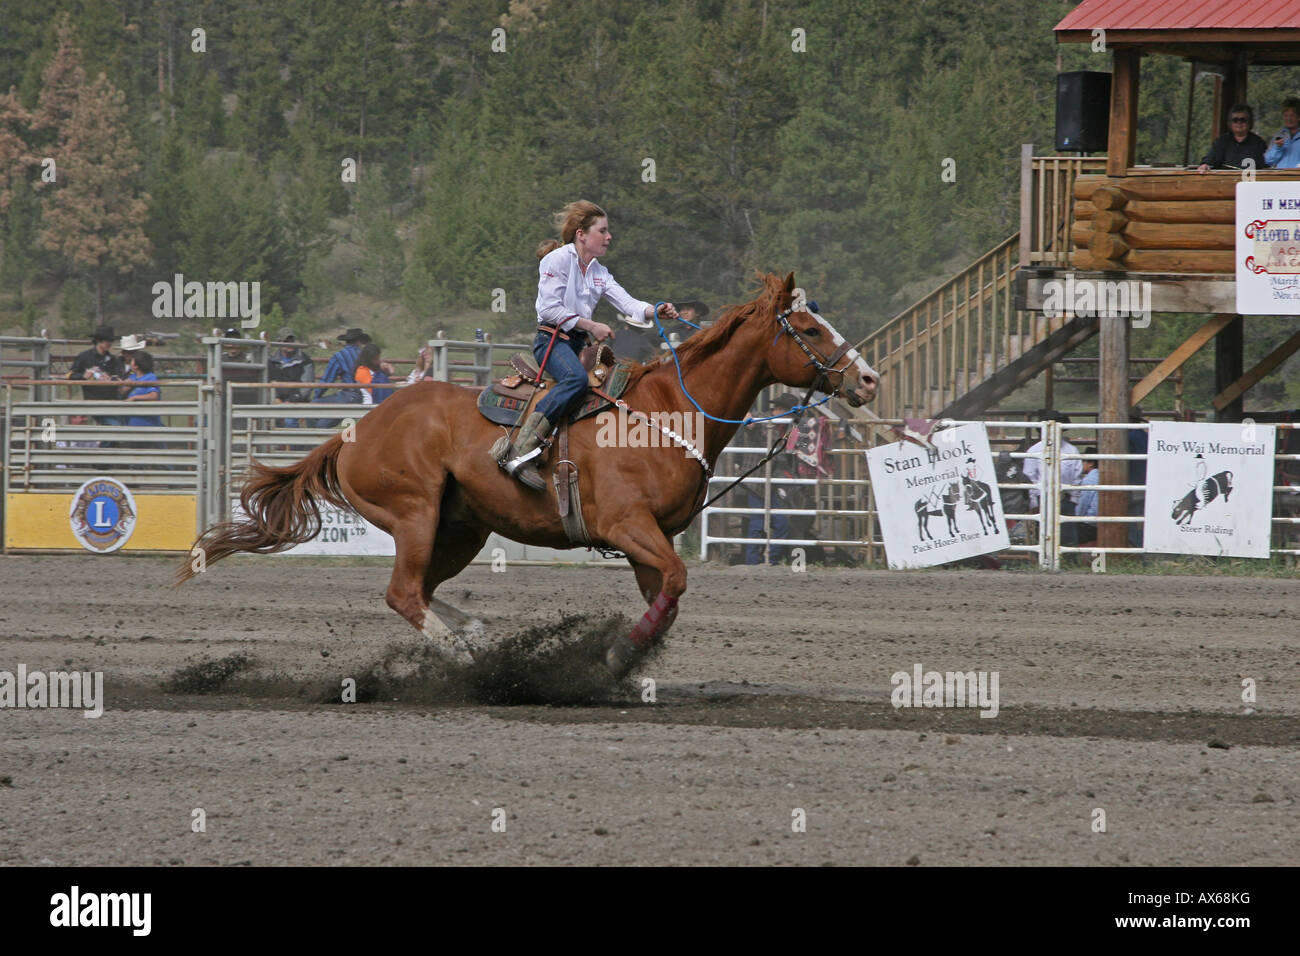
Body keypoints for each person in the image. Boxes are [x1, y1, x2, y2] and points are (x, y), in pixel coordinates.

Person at [499, 201, 678, 490]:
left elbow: (628, 303)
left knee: (615, 384)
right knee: (575, 379)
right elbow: (548, 310)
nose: (609, 237)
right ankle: (520, 450)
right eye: (603, 231)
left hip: (576, 345)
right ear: (582, 234)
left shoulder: (598, 271)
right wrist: (590, 325)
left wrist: (655, 310)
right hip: (551, 341)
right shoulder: (557, 260)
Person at [1021, 409, 1083, 544]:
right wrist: (1034, 502)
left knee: (1068, 536)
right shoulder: (1034, 451)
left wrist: (1074, 499)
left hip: (1065, 498)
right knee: (1043, 535)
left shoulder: (1071, 451)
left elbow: (1076, 478)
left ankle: (1069, 560)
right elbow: (1030, 479)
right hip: (1042, 498)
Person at [67, 325, 125, 424]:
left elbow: (119, 377)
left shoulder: (114, 360)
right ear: (98, 340)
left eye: (110, 340)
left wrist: (111, 379)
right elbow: (69, 376)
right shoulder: (84, 357)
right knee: (115, 426)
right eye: (106, 340)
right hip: (94, 402)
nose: (109, 343)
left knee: (115, 427)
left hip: (112, 402)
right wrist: (83, 376)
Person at [312, 328, 367, 427]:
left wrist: (317, 395)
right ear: (359, 341)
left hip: (349, 396)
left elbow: (327, 380)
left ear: (346, 341)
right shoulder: (366, 355)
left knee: (313, 411)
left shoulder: (340, 356)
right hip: (365, 396)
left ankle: (314, 440)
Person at [1197, 104, 1267, 172]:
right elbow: (1210, 159)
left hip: (1250, 181)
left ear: (1250, 122)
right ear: (1230, 123)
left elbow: (1264, 165)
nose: (1239, 123)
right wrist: (1205, 164)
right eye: (1235, 120)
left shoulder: (1258, 142)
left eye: (1243, 120)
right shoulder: (1222, 141)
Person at [268, 327, 315, 427]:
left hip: (298, 401)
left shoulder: (304, 360)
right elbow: (269, 381)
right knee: (266, 419)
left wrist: (292, 401)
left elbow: (306, 387)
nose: (290, 344)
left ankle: (294, 442)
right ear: (279, 343)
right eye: (286, 341)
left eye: (291, 340)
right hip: (277, 401)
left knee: (289, 421)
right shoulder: (271, 361)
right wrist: (276, 398)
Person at [121, 350, 162, 427]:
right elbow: (121, 391)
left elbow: (153, 396)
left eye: (132, 360)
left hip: (147, 423)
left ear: (136, 365)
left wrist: (135, 398)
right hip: (131, 421)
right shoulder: (132, 377)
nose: (130, 362)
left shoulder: (150, 377)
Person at [1264, 97, 1300, 169]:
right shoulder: (1279, 135)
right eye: (1286, 115)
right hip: (1280, 178)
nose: (1288, 119)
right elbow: (1268, 160)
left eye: (1292, 115)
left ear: (1299, 117)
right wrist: (1278, 148)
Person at [1075, 452, 1100, 548]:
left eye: (1082, 461)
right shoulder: (1101, 476)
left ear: (1091, 463)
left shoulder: (1089, 480)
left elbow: (1082, 505)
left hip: (1089, 523)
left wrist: (1076, 518)